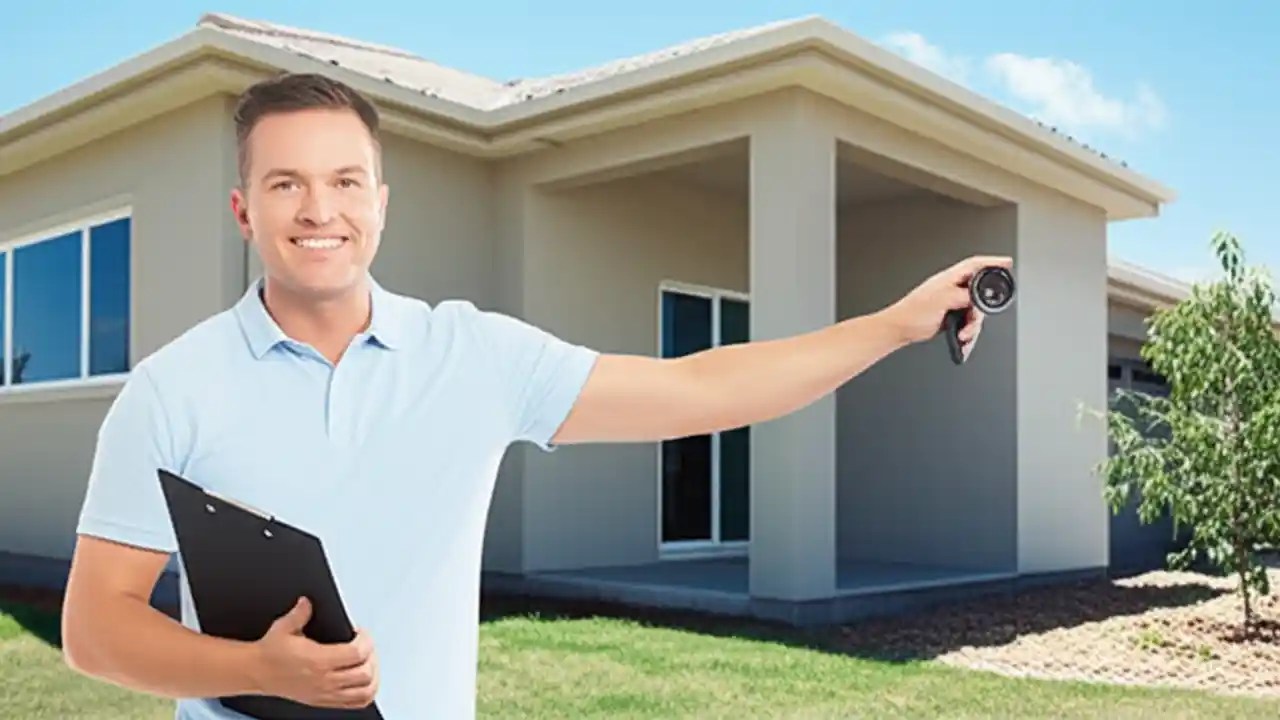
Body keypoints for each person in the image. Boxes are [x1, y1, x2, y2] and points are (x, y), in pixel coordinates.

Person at [60, 71, 1008, 719]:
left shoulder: (472, 355)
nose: (319, 210)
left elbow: (700, 387)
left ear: (382, 203)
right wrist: (253, 672)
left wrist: (893, 323)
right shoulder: (171, 389)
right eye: (286, 184)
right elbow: (95, 629)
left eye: (346, 180)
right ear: (244, 209)